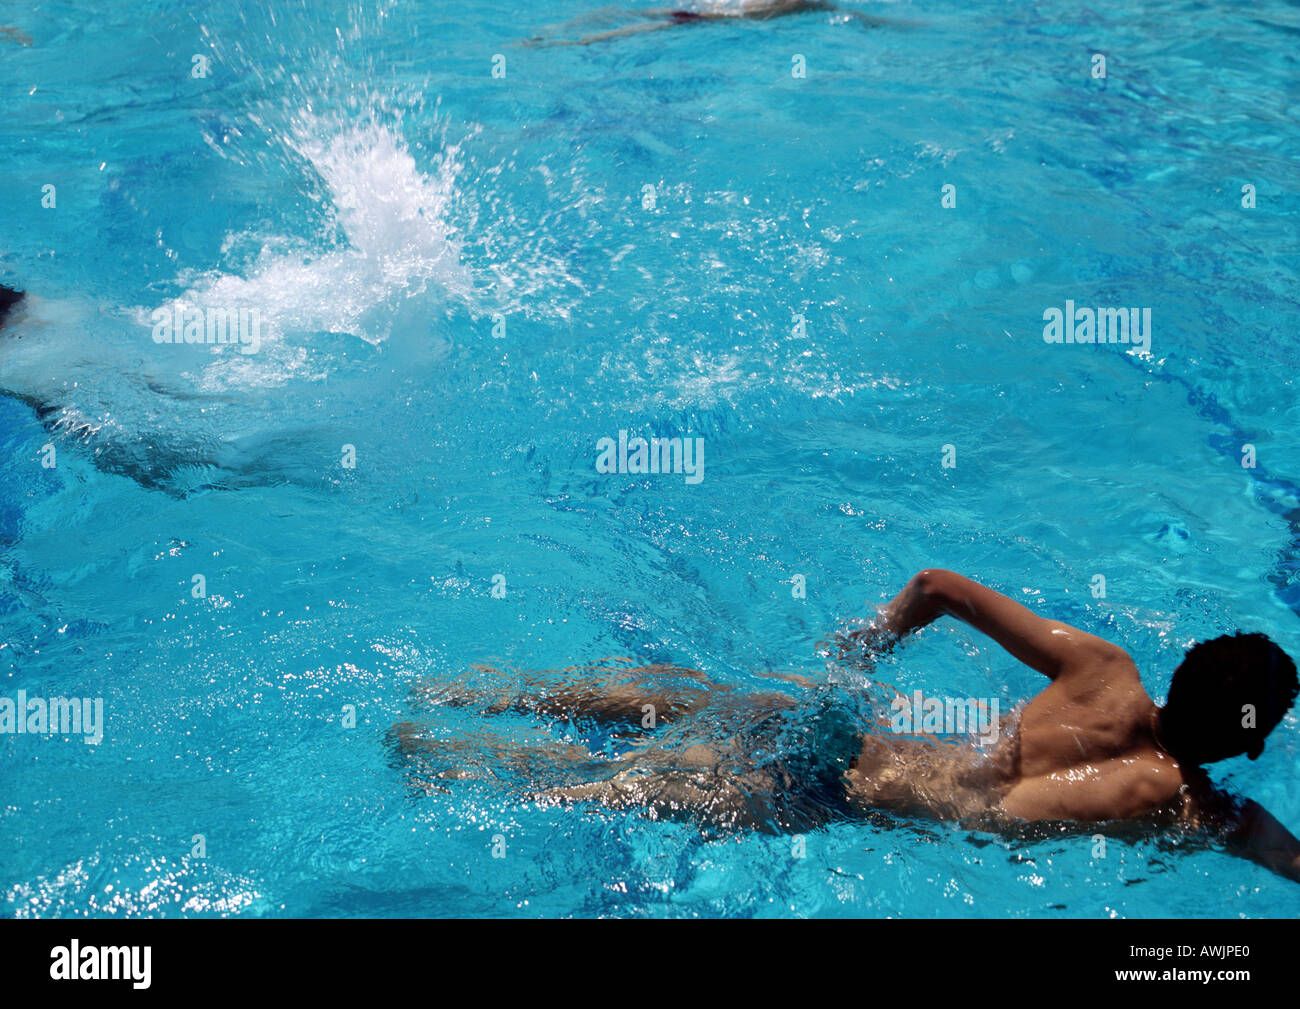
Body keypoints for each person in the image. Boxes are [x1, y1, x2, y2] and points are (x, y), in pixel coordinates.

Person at [390, 568, 1300, 882]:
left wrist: (855, 656)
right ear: (1253, 741)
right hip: (827, 793)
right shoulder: (1192, 811)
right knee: (588, 791)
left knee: (665, 696)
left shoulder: (1103, 671)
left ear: (1184, 670)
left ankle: (464, 689)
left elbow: (938, 588)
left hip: (833, 726)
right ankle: (443, 757)